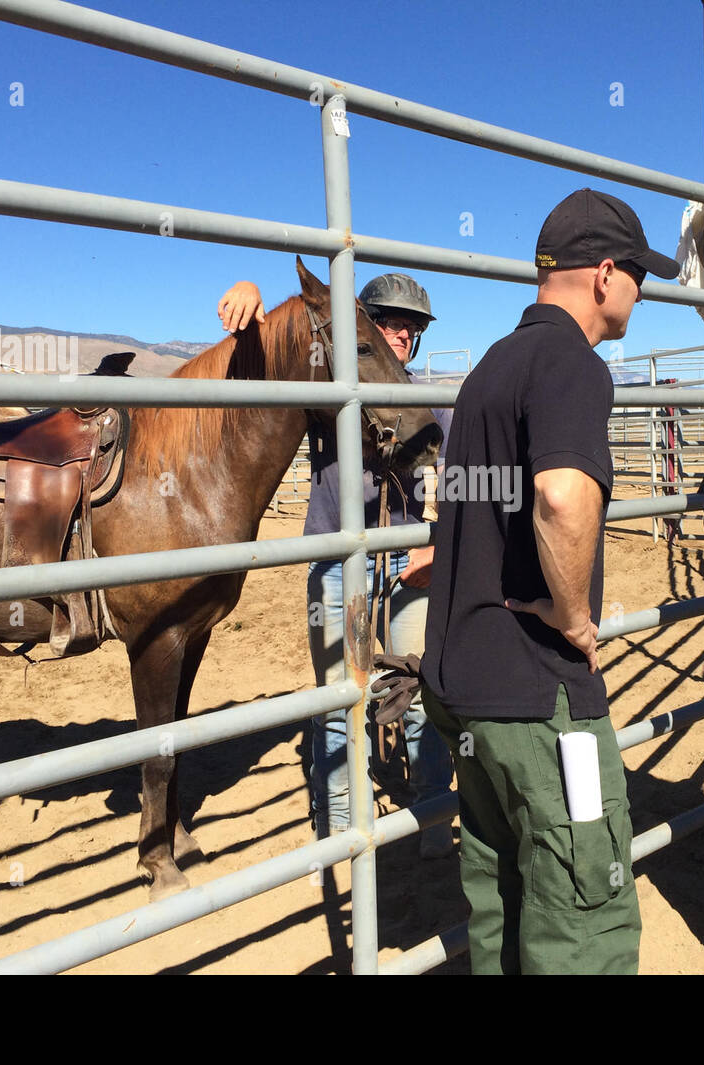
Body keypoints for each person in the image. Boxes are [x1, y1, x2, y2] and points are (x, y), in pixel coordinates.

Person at [419, 188, 678, 974]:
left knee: (501, 900)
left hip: (467, 683)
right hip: (540, 694)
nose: (641, 290)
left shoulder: (491, 368)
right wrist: (572, 614)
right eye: (638, 274)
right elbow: (562, 496)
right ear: (604, 273)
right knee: (582, 915)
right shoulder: (571, 362)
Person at [218, 272, 455, 858]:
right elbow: (259, 372)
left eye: (411, 327)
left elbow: (462, 477)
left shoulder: (426, 404)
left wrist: (437, 543)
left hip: (405, 560)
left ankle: (430, 820)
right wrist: (252, 294)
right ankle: (343, 832)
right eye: (389, 323)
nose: (402, 334)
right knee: (337, 699)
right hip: (332, 559)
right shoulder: (326, 393)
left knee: (418, 684)